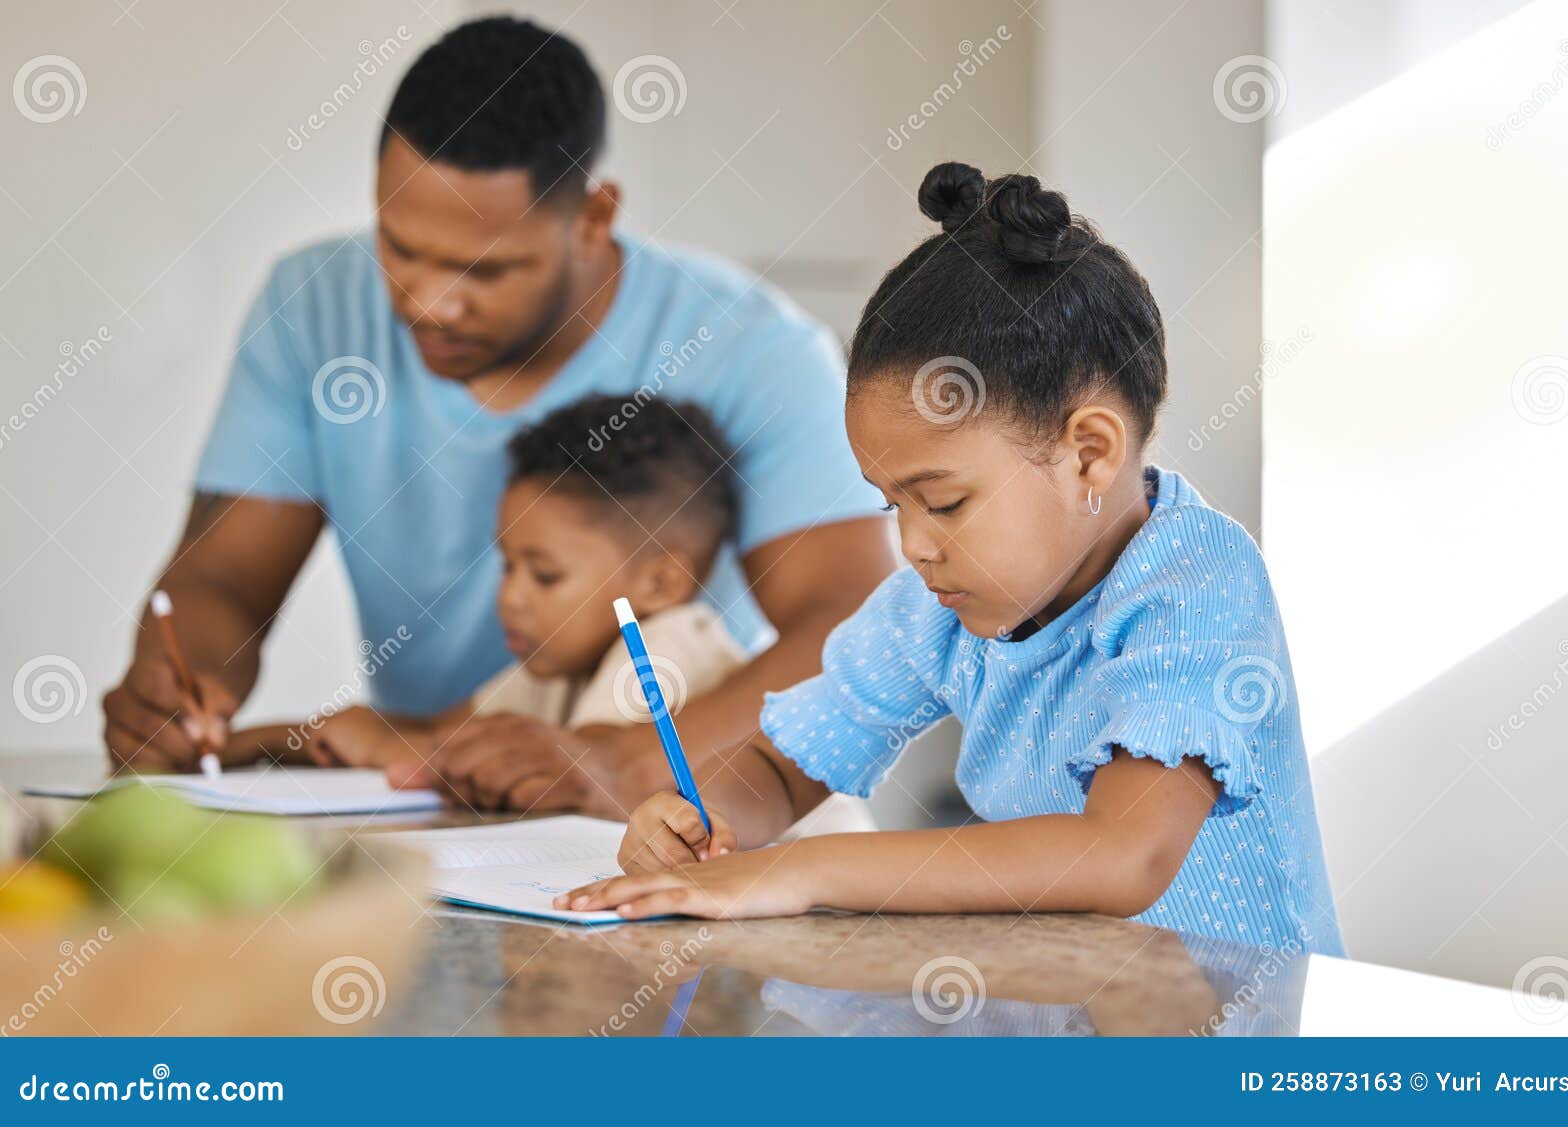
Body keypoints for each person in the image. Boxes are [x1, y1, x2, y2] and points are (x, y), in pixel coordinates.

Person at [101, 17, 895, 815]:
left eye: (484, 270)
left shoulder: (752, 348)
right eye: (402, 249)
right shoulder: (313, 308)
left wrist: (620, 761)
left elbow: (852, 629)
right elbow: (222, 581)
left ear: (593, 216)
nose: (428, 302)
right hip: (439, 805)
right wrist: (181, 688)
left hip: (673, 806)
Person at [555, 163, 1346, 956]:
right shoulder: (936, 611)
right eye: (890, 503)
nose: (913, 544)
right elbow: (780, 762)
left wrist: (801, 869)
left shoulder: (1196, 583)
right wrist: (705, 818)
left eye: (945, 502)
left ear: (1090, 454)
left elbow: (1123, 855)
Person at [228, 395, 872, 837]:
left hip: (821, 920)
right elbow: (449, 735)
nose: (510, 598)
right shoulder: (553, 661)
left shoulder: (669, 650)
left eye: (544, 575)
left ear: (658, 581)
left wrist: (390, 744)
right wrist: (268, 739)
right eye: (506, 567)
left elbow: (544, 779)